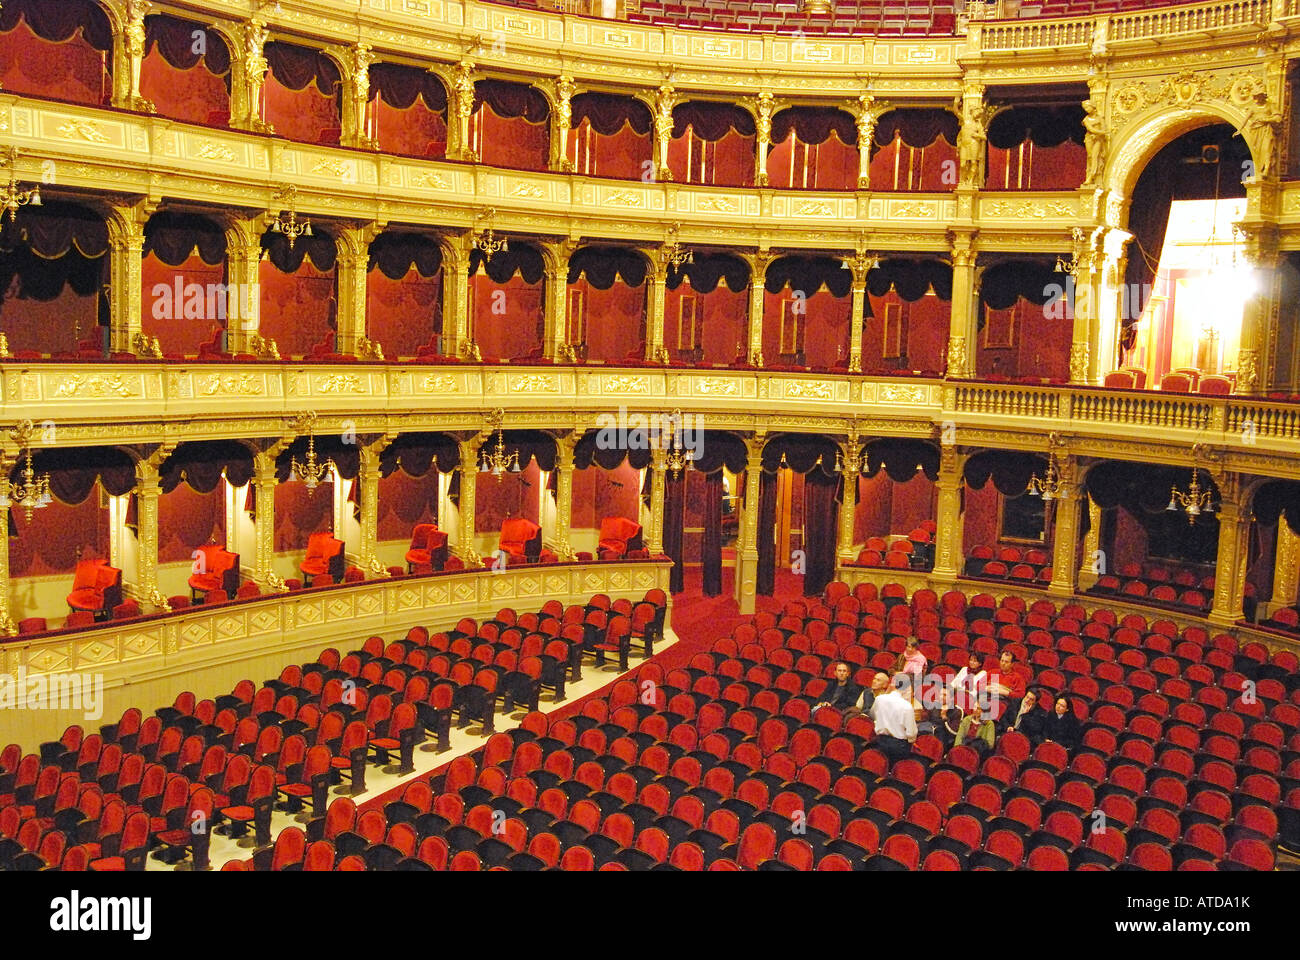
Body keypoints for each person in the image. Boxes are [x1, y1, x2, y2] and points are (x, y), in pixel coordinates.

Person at [871, 672, 917, 762]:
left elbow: (873, 715)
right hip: (899, 747)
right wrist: (912, 740)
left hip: (880, 741)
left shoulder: (879, 699)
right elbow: (911, 734)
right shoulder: (906, 706)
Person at [987, 649, 1027, 727]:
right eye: (1002, 661)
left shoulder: (1017, 678)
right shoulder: (993, 672)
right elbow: (978, 685)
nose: (1003, 663)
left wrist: (1006, 692)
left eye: (1006, 662)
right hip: (987, 698)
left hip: (1003, 703)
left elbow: (1021, 695)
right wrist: (986, 688)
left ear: (1012, 664)